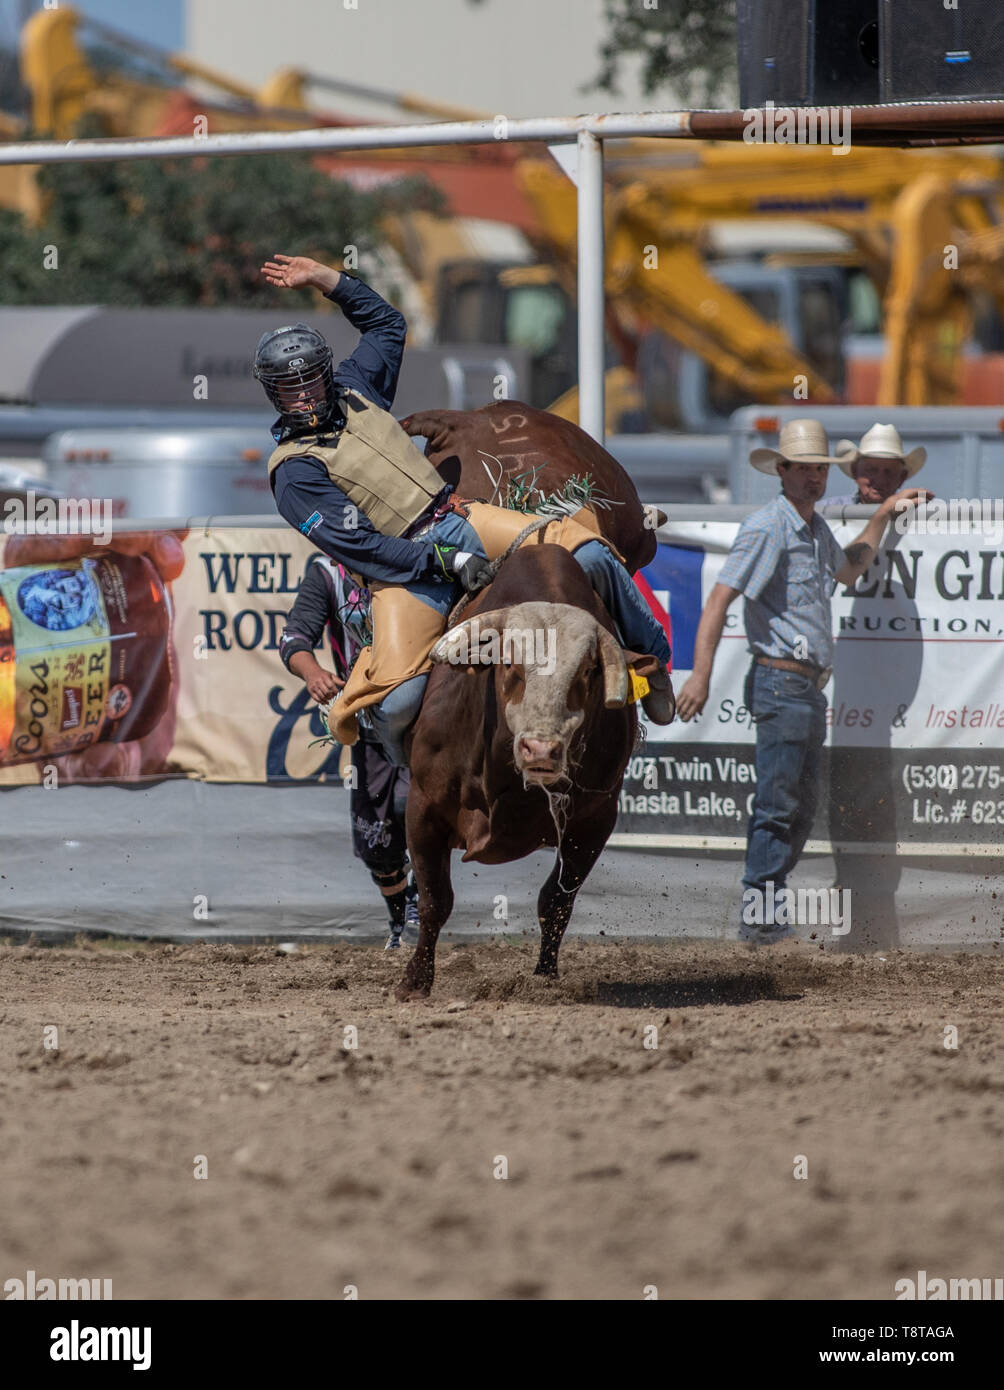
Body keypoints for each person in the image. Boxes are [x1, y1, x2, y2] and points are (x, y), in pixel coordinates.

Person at [254, 252, 674, 768]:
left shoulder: (357, 389)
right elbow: (357, 545)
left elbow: (388, 323)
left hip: (460, 517)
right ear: (274, 394)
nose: (304, 395)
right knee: (397, 702)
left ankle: (655, 664)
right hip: (403, 569)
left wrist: (328, 280)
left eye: (311, 380)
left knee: (585, 549)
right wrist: (441, 562)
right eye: (289, 388)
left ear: (326, 374)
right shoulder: (293, 470)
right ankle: (410, 773)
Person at [675, 419, 930, 946]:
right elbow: (720, 600)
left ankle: (764, 913)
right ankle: (761, 919)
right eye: (805, 469)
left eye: (820, 469)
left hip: (802, 688)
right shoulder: (770, 527)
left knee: (796, 806)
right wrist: (699, 674)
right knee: (780, 806)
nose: (814, 478)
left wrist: (882, 514)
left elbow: (847, 571)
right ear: (784, 471)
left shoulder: (811, 529)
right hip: (782, 683)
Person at [279, 555, 418, 950]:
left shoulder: (412, 559)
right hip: (367, 722)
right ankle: (399, 924)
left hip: (423, 718)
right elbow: (294, 638)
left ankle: (421, 909)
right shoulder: (327, 573)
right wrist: (314, 674)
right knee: (376, 843)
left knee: (415, 809)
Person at [819, 423, 927, 509]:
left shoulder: (920, 515)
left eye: (888, 472)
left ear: (902, 477)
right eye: (871, 470)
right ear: (855, 471)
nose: (880, 479)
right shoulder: (825, 511)